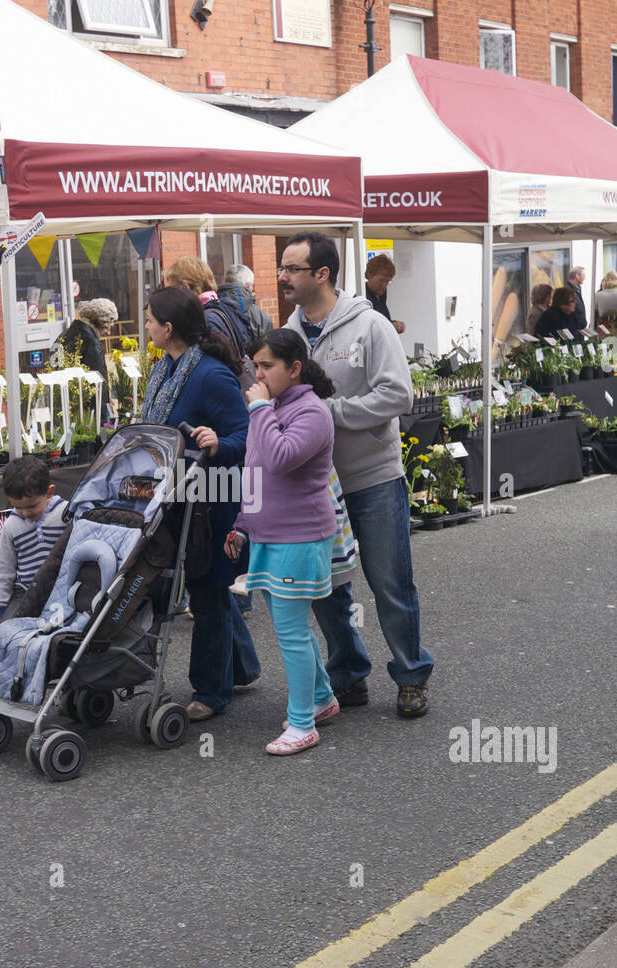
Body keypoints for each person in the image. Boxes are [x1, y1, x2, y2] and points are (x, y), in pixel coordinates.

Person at [280, 231, 432, 718]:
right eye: (282, 267)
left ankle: (411, 675)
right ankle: (349, 674)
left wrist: (332, 412)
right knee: (326, 588)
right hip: (317, 483)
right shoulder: (291, 330)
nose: (282, 276)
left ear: (321, 274)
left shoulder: (370, 326)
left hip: (373, 477)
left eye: (292, 269)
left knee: (390, 583)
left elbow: (398, 395)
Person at [141, 286, 257, 721]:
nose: (146, 325)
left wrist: (217, 442)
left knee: (207, 591)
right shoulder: (163, 370)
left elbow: (248, 436)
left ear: (168, 328)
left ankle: (211, 692)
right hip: (176, 495)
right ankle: (242, 667)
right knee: (209, 591)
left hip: (212, 499)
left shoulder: (210, 375)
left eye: (151, 319)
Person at [227, 329, 337, 755]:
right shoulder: (269, 408)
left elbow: (279, 457)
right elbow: (253, 468)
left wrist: (258, 409)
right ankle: (322, 698)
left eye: (267, 366)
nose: (258, 374)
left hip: (301, 535)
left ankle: (303, 724)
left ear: (294, 369)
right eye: (255, 365)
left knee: (290, 631)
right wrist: (241, 523)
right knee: (292, 626)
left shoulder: (311, 412)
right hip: (270, 536)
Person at [162, 256, 257, 392]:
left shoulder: (205, 318)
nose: (168, 298)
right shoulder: (223, 305)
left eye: (171, 291)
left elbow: (214, 370)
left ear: (186, 287)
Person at [0, 456, 68, 619]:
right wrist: (1, 605)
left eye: (31, 506)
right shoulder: (11, 526)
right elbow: (4, 569)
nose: (25, 513)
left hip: (63, 588)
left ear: (49, 492)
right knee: (6, 632)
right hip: (26, 592)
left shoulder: (66, 514)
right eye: (18, 507)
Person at [58, 297, 116, 416]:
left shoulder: (67, 333)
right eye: (108, 327)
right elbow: (97, 382)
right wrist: (104, 412)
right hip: (87, 414)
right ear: (100, 321)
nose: (108, 333)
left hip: (66, 406)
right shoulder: (92, 342)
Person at [218, 263, 273, 342]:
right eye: (252, 286)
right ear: (247, 286)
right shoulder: (261, 317)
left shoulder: (212, 308)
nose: (253, 290)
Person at [365, 254, 406, 334]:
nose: (384, 285)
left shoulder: (380, 296)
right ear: (369, 275)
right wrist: (390, 326)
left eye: (388, 281)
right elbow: (368, 329)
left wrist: (394, 324)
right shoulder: (362, 298)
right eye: (381, 280)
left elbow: (381, 320)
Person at [567, 266, 589, 332]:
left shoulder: (577, 289)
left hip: (579, 328)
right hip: (574, 329)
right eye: (583, 275)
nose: (585, 278)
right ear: (577, 276)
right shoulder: (568, 290)